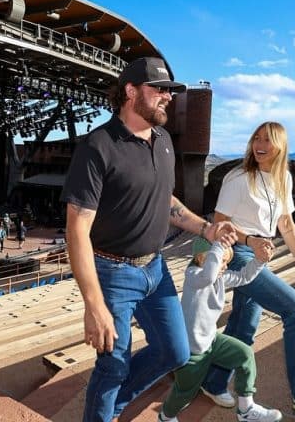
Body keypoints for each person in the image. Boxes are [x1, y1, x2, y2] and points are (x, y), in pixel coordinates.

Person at [61, 57, 238, 422]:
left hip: (155, 270)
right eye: (159, 89)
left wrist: (206, 229)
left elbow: (166, 201)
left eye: (170, 91)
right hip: (113, 273)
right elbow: (76, 229)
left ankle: (109, 409)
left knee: (175, 352)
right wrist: (94, 306)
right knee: (112, 367)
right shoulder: (98, 147)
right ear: (130, 92)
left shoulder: (163, 142)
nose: (168, 98)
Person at [201, 122, 295, 422]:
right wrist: (250, 241)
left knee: (243, 326)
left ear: (280, 145)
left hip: (260, 255)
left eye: (267, 139)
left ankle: (212, 381)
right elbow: (219, 223)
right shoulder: (238, 177)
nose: (259, 143)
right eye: (256, 137)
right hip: (241, 253)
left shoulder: (284, 179)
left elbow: (287, 225)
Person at [159, 235, 280, 422]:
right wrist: (218, 243)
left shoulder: (220, 278)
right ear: (201, 258)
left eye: (226, 262)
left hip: (211, 341)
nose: (224, 266)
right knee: (184, 394)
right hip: (192, 352)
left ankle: (245, 409)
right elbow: (207, 276)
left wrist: (259, 261)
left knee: (245, 354)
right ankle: (166, 417)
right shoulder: (193, 276)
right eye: (221, 261)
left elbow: (244, 277)